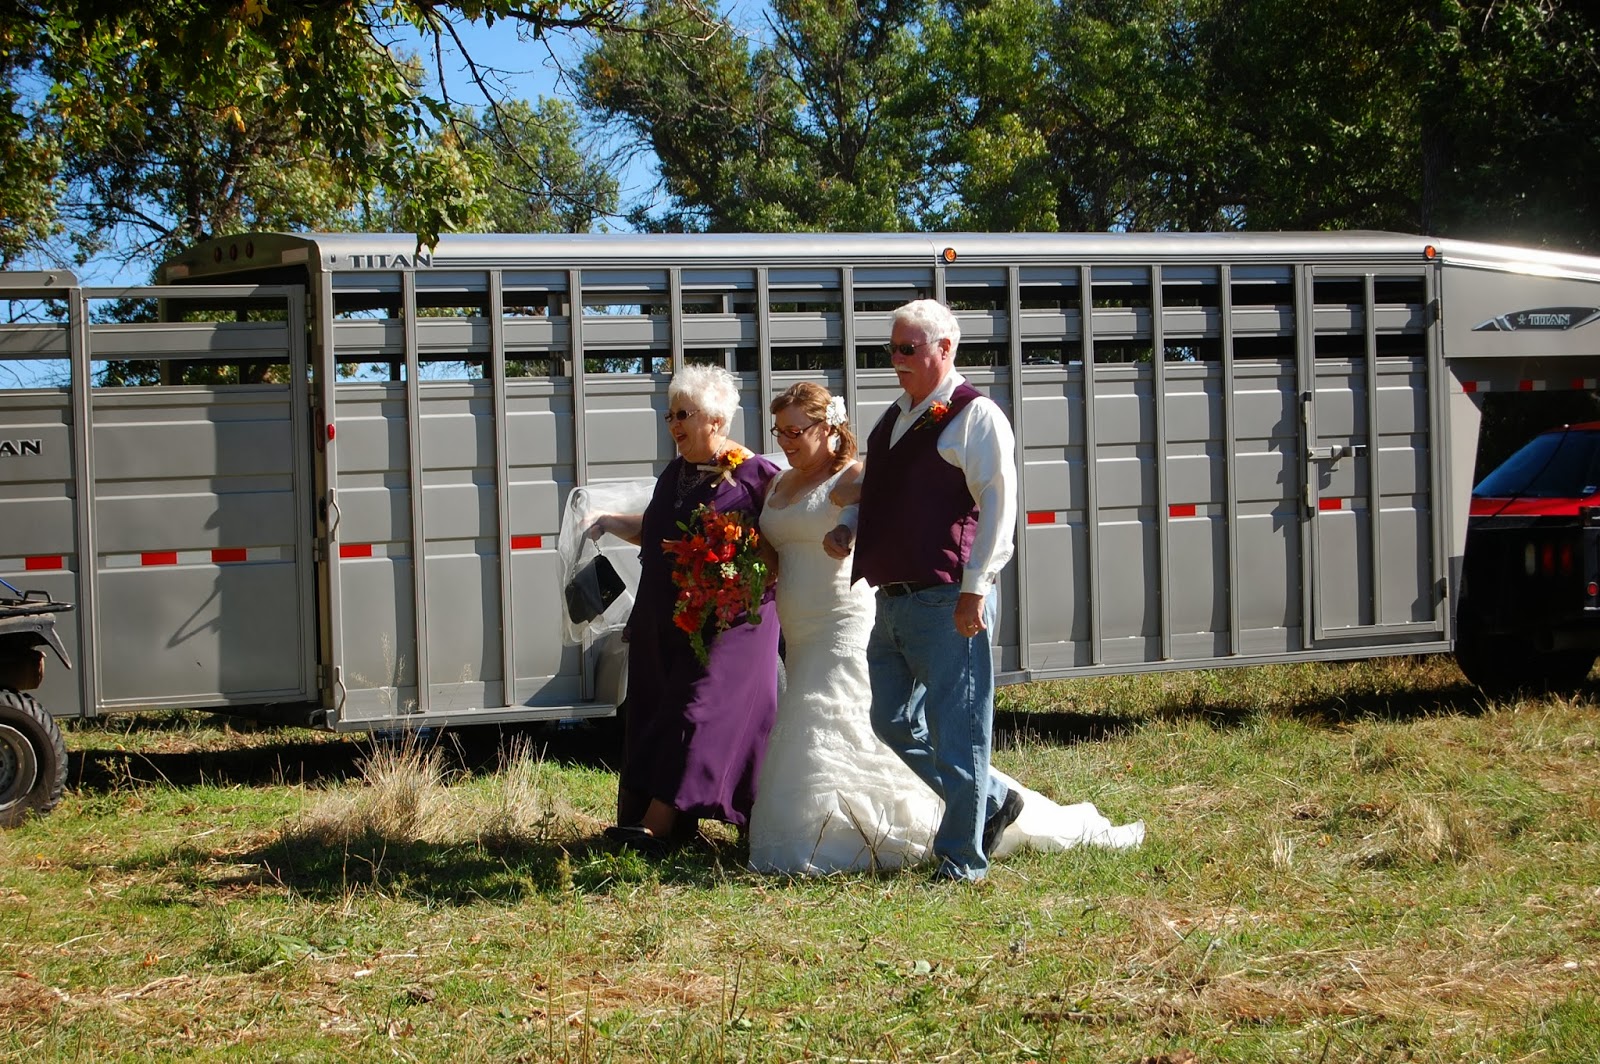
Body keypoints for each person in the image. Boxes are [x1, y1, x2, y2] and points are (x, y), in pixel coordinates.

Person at [751, 380, 1142, 875]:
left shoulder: (855, 474)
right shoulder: (780, 483)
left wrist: (848, 529)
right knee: (854, 723)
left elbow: (876, 505)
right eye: (778, 431)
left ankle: (947, 820)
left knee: (859, 719)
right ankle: (983, 802)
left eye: (796, 431)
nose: (785, 441)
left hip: (842, 618)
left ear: (828, 427)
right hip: (800, 628)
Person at [588, 363, 782, 854]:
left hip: (733, 624)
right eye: (670, 414)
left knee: (697, 712)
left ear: (715, 420)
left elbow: (786, 539)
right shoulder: (675, 473)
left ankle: (657, 825)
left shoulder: (756, 474)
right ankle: (713, 825)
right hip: (666, 621)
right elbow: (657, 530)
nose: (672, 424)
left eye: (683, 414)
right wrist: (609, 521)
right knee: (655, 713)